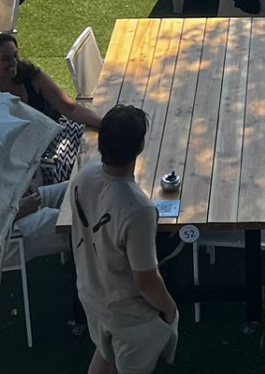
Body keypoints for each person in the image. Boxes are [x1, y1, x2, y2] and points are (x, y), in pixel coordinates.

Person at [67, 105, 180, 374]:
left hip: (92, 295)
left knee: (105, 355)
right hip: (129, 315)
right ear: (140, 145)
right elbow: (146, 280)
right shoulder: (138, 210)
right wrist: (170, 310)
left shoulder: (84, 177)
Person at [0, 31, 101, 187]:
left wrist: (104, 123)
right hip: (21, 151)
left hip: (56, 132)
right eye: (6, 59)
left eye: (15, 55)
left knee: (96, 150)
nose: (13, 63)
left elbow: (69, 108)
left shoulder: (31, 76)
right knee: (71, 167)